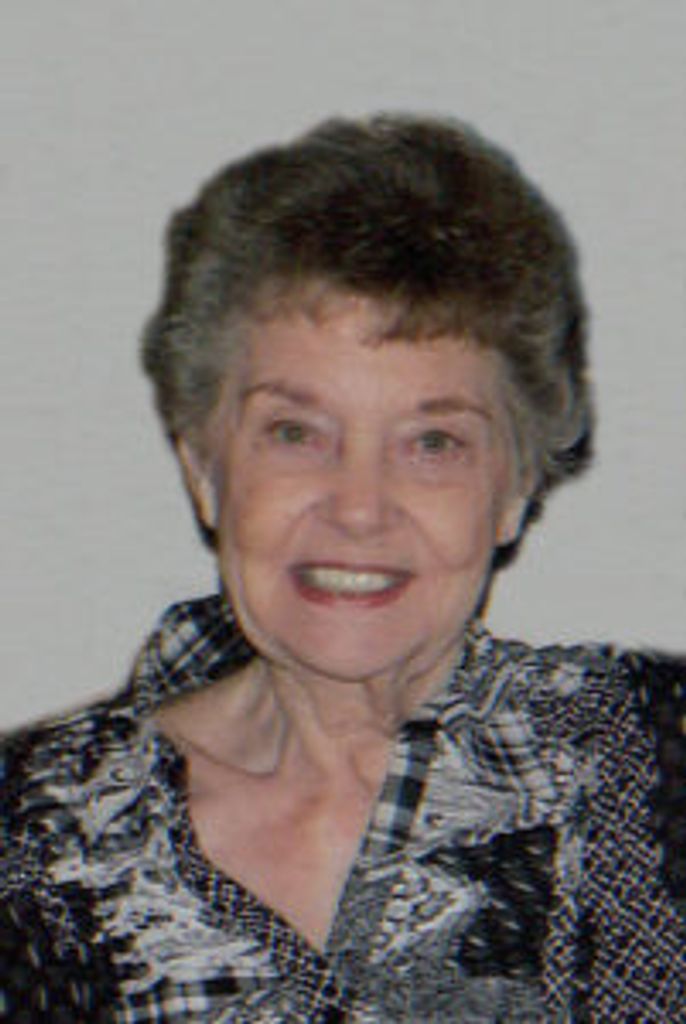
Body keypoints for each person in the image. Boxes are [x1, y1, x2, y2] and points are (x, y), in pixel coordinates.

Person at [2, 114, 684, 1023]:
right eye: (296, 432)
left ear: (516, 486)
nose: (360, 507)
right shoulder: (32, 836)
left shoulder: (652, 757)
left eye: (433, 442)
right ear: (204, 468)